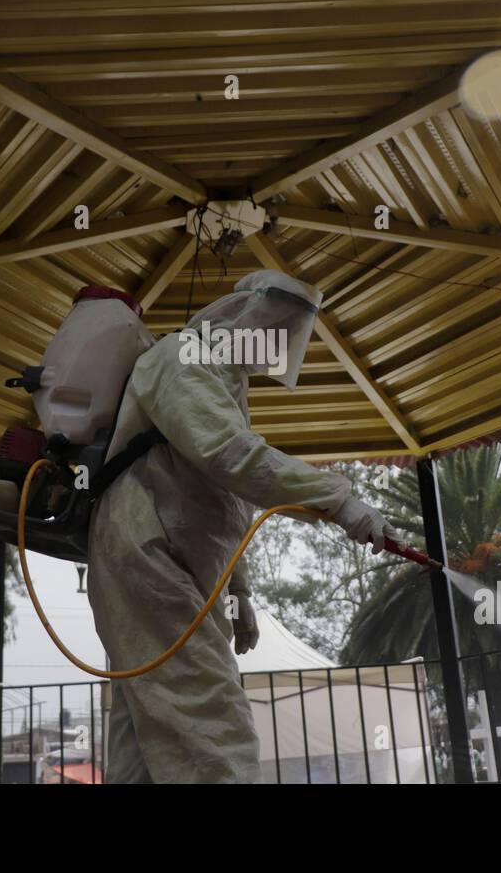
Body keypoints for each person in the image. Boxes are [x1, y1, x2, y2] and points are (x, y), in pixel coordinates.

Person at [88, 269, 394, 783]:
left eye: (288, 336)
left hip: (173, 564)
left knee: (146, 730)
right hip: (148, 555)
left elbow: (220, 500)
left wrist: (239, 590)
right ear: (238, 314)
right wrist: (338, 500)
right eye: (272, 327)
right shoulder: (182, 359)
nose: (276, 343)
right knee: (213, 718)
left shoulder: (225, 385)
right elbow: (233, 459)